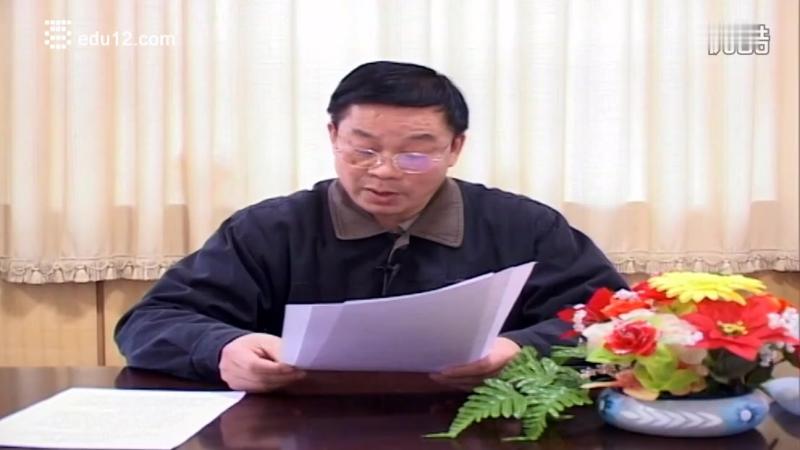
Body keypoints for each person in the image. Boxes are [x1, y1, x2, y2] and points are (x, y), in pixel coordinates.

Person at [115, 61, 627, 393]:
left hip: (477, 426)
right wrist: (223, 349)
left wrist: (519, 349)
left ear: (455, 148)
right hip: (299, 426)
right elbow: (151, 321)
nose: (383, 171)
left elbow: (613, 321)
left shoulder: (523, 227)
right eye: (362, 149)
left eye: (414, 154)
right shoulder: (271, 229)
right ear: (332, 135)